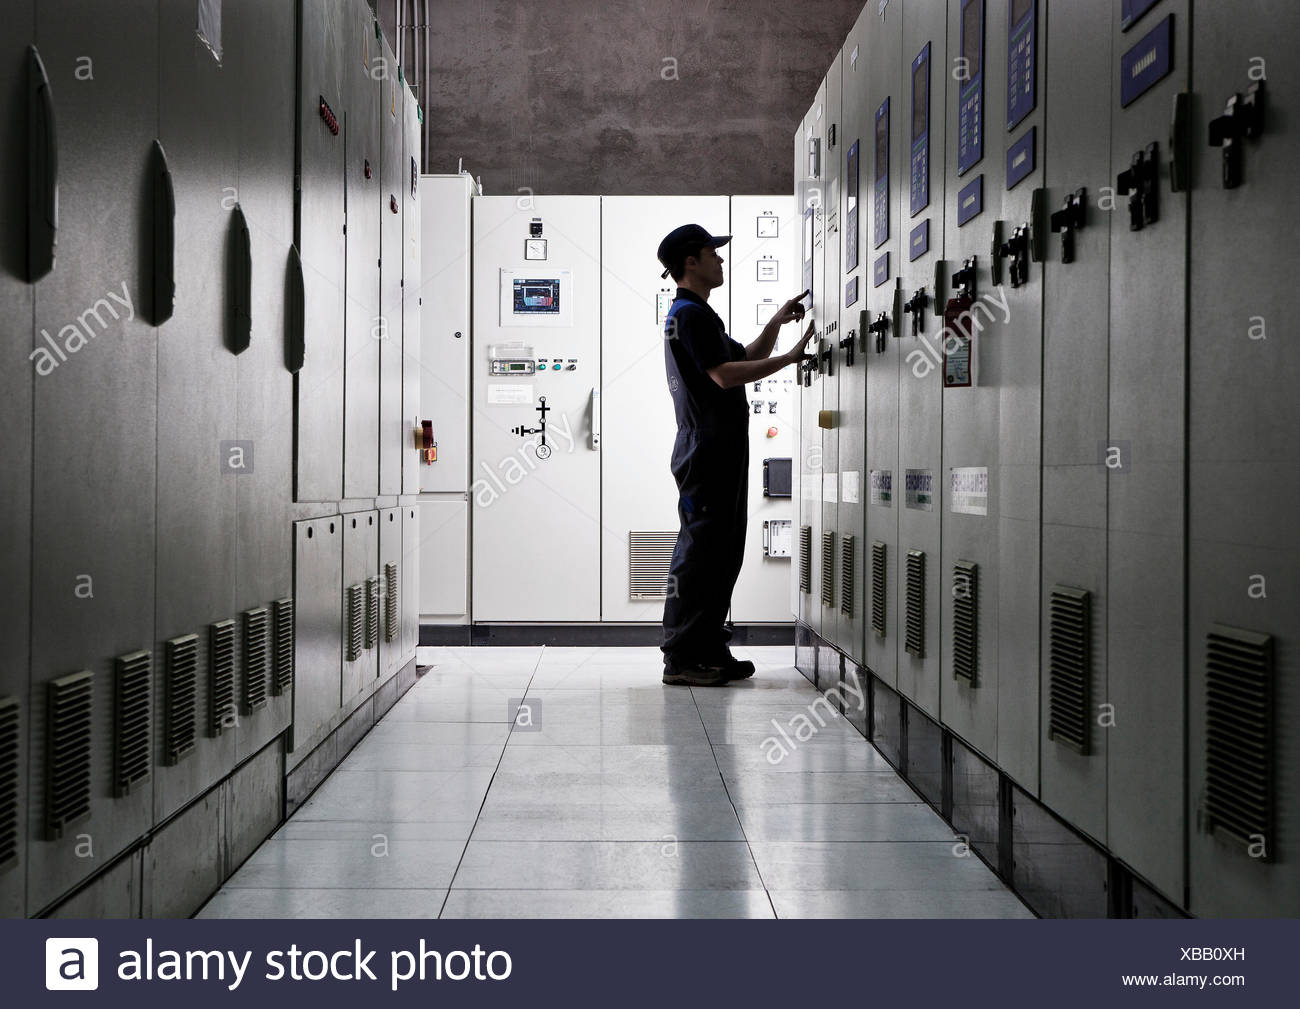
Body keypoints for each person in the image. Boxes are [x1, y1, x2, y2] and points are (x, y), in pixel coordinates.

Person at [656, 223, 814, 687]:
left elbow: (743, 355)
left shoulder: (700, 315)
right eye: (714, 254)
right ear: (691, 262)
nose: (720, 261)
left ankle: (707, 648)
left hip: (716, 448)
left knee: (722, 552)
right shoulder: (690, 315)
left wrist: (777, 325)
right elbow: (725, 376)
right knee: (701, 552)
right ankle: (683, 656)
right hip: (707, 448)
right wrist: (788, 360)